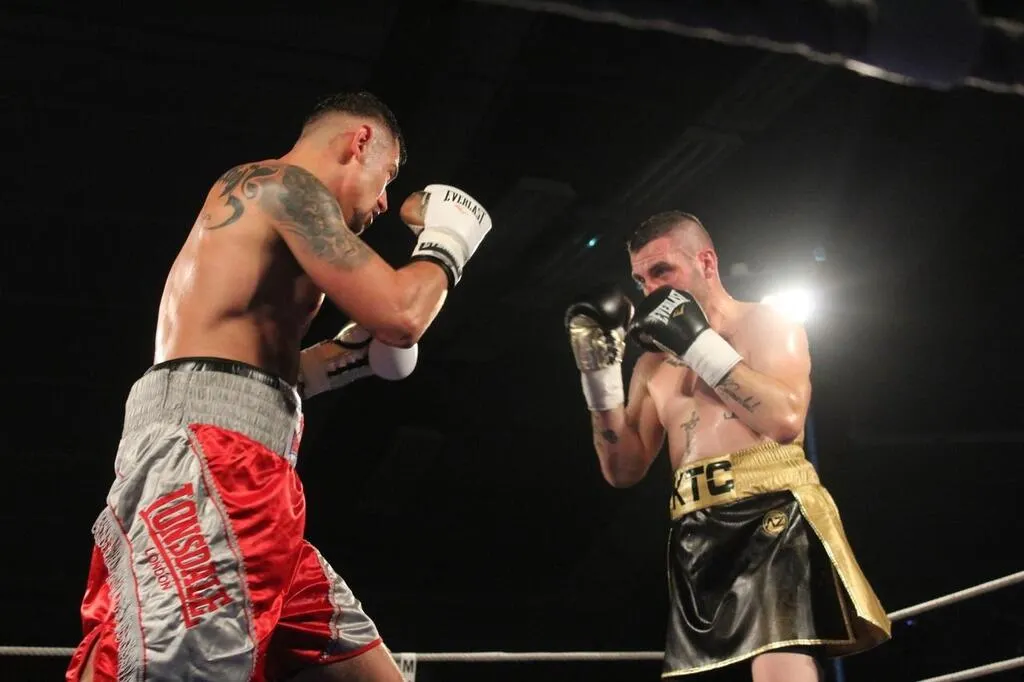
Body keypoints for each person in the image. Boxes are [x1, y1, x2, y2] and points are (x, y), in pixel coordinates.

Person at [66, 91, 493, 682]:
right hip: (206, 468)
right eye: (388, 175)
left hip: (255, 473)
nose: (386, 199)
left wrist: (345, 359)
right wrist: (450, 240)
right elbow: (402, 312)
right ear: (359, 140)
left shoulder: (267, 219)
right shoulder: (279, 186)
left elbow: (254, 370)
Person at [565, 211, 890, 680]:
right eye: (641, 279)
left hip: (771, 514)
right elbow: (623, 469)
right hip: (695, 530)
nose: (650, 289)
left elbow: (783, 419)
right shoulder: (652, 367)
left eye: (662, 271)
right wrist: (598, 379)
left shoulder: (765, 323)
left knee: (781, 663)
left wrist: (699, 344)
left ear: (707, 262)